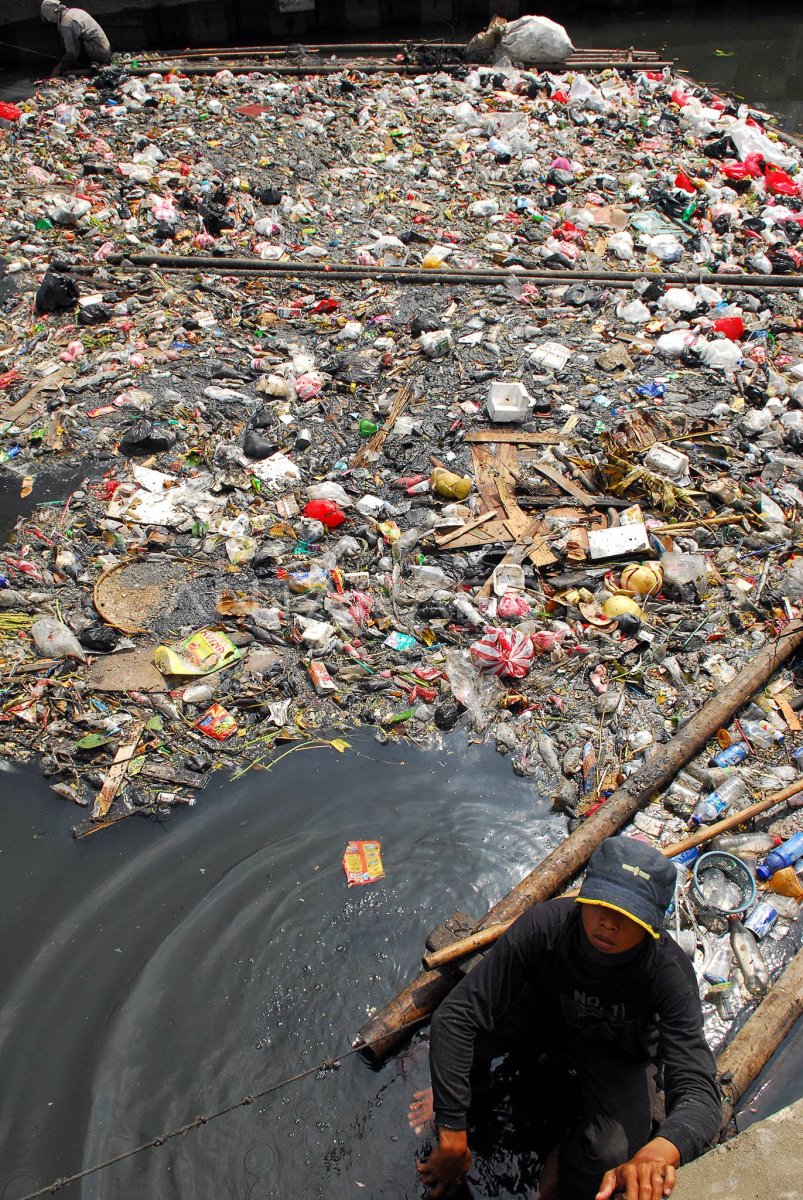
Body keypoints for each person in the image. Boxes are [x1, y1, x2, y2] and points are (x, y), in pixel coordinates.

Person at [409, 836, 722, 1200]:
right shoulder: (545, 925)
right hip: (546, 1015)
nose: (609, 923)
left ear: (652, 926)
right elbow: (457, 1015)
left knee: (614, 1152)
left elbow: (700, 1092)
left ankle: (563, 1163)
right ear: (583, 898)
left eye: (628, 915)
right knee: (468, 1037)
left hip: (615, 1049)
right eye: (601, 906)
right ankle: (466, 1097)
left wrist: (659, 1153)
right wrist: (452, 1125)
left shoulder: (667, 971)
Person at [40, 0, 111, 75]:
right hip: (105, 50)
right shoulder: (74, 11)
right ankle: (96, 63)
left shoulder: (66, 24)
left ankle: (89, 69)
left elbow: (72, 53)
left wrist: (59, 67)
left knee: (71, 46)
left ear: (50, 14)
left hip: (99, 52)